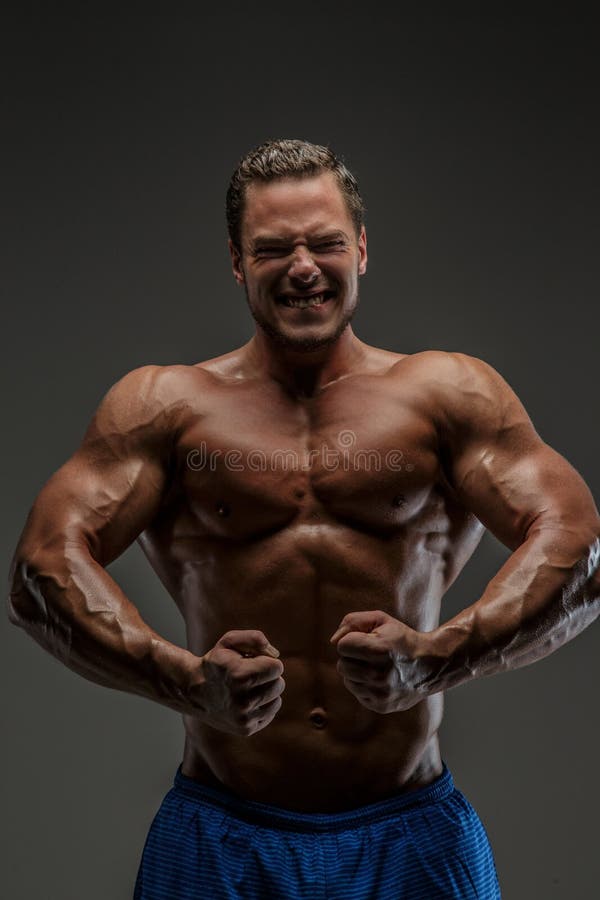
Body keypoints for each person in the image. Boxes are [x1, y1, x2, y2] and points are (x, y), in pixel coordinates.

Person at [8, 138, 599, 900]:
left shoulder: (450, 396)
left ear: (360, 247)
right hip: (222, 832)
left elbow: (579, 547)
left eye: (324, 242)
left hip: (412, 831)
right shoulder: (166, 407)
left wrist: (437, 658)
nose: (303, 267)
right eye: (273, 248)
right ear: (235, 260)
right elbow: (41, 570)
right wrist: (186, 683)